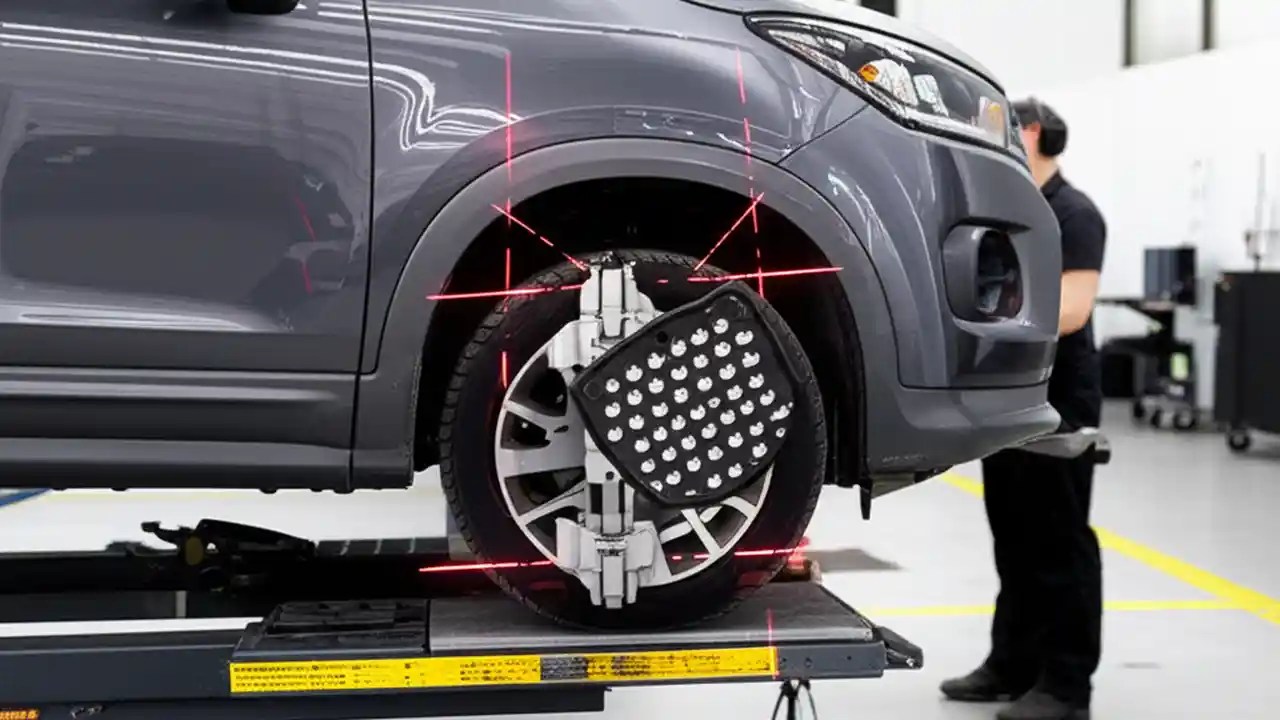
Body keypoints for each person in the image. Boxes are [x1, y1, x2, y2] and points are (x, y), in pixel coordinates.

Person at [940, 98, 1107, 720]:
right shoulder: (1013, 215)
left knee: (1059, 544)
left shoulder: (1074, 213)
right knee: (1012, 536)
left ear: (1030, 133)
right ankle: (1010, 666)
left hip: (1060, 401)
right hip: (1009, 397)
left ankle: (1066, 688)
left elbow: (1071, 312)